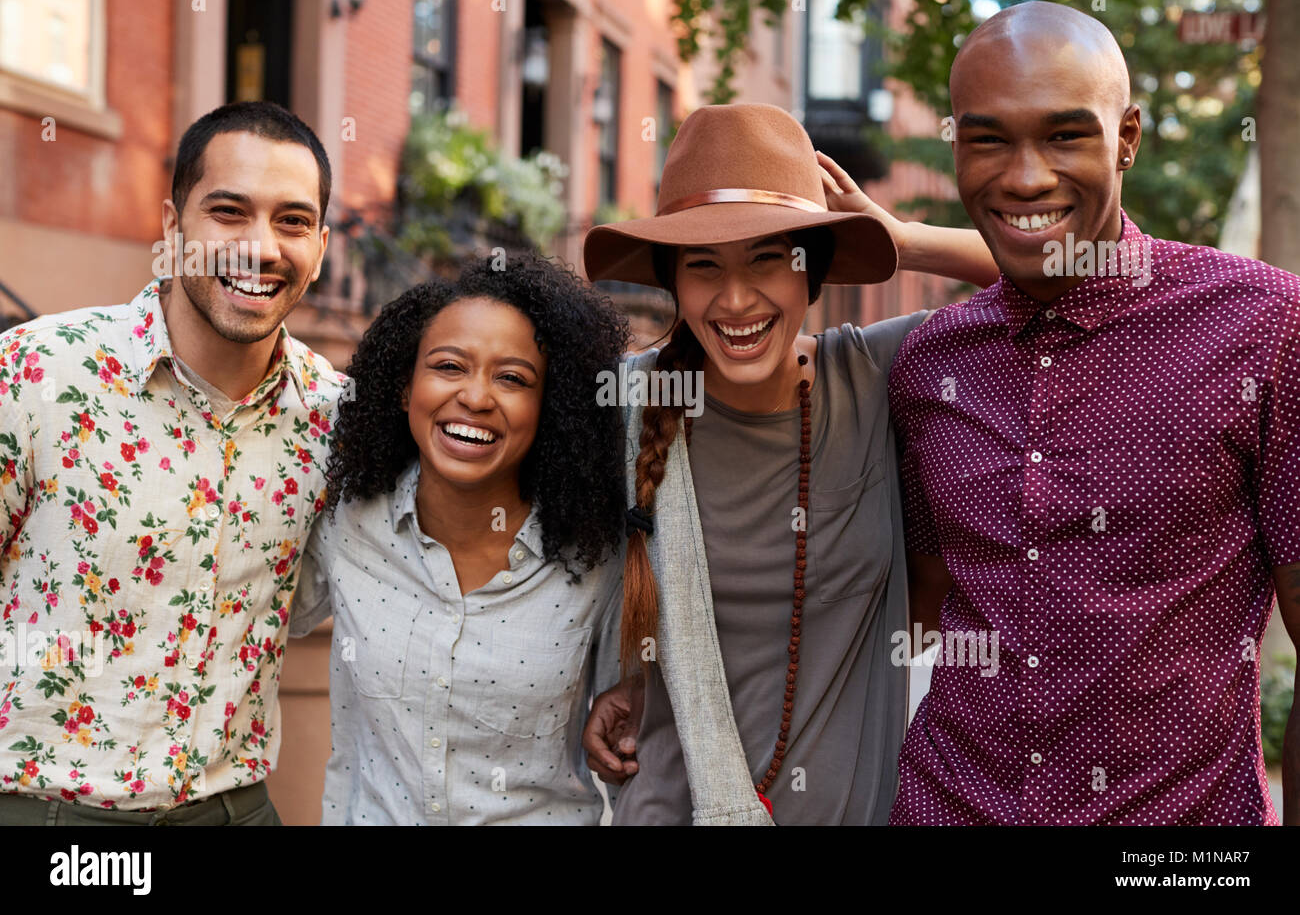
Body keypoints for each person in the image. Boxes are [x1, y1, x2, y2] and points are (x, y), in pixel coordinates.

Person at [888, 1, 1300, 825]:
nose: (1026, 176)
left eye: (1066, 135)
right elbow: (919, 610)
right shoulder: (928, 365)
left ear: (1128, 139)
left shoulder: (1265, 328)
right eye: (988, 139)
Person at [580, 102, 999, 824]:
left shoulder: (877, 375)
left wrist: (902, 239)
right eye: (703, 266)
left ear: (816, 273)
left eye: (769, 260)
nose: (736, 299)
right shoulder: (627, 401)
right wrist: (626, 685)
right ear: (672, 283)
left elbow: (1082, 279)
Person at [0, 101, 347, 824]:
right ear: (172, 226)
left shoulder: (336, 418)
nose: (260, 247)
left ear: (319, 245)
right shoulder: (37, 373)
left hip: (233, 809)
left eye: (291, 221)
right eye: (229, 211)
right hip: (49, 813)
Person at [288, 254, 628, 824]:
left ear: (552, 409)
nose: (475, 397)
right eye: (449, 366)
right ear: (405, 387)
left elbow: (632, 742)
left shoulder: (599, 555)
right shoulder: (343, 518)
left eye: (513, 378)